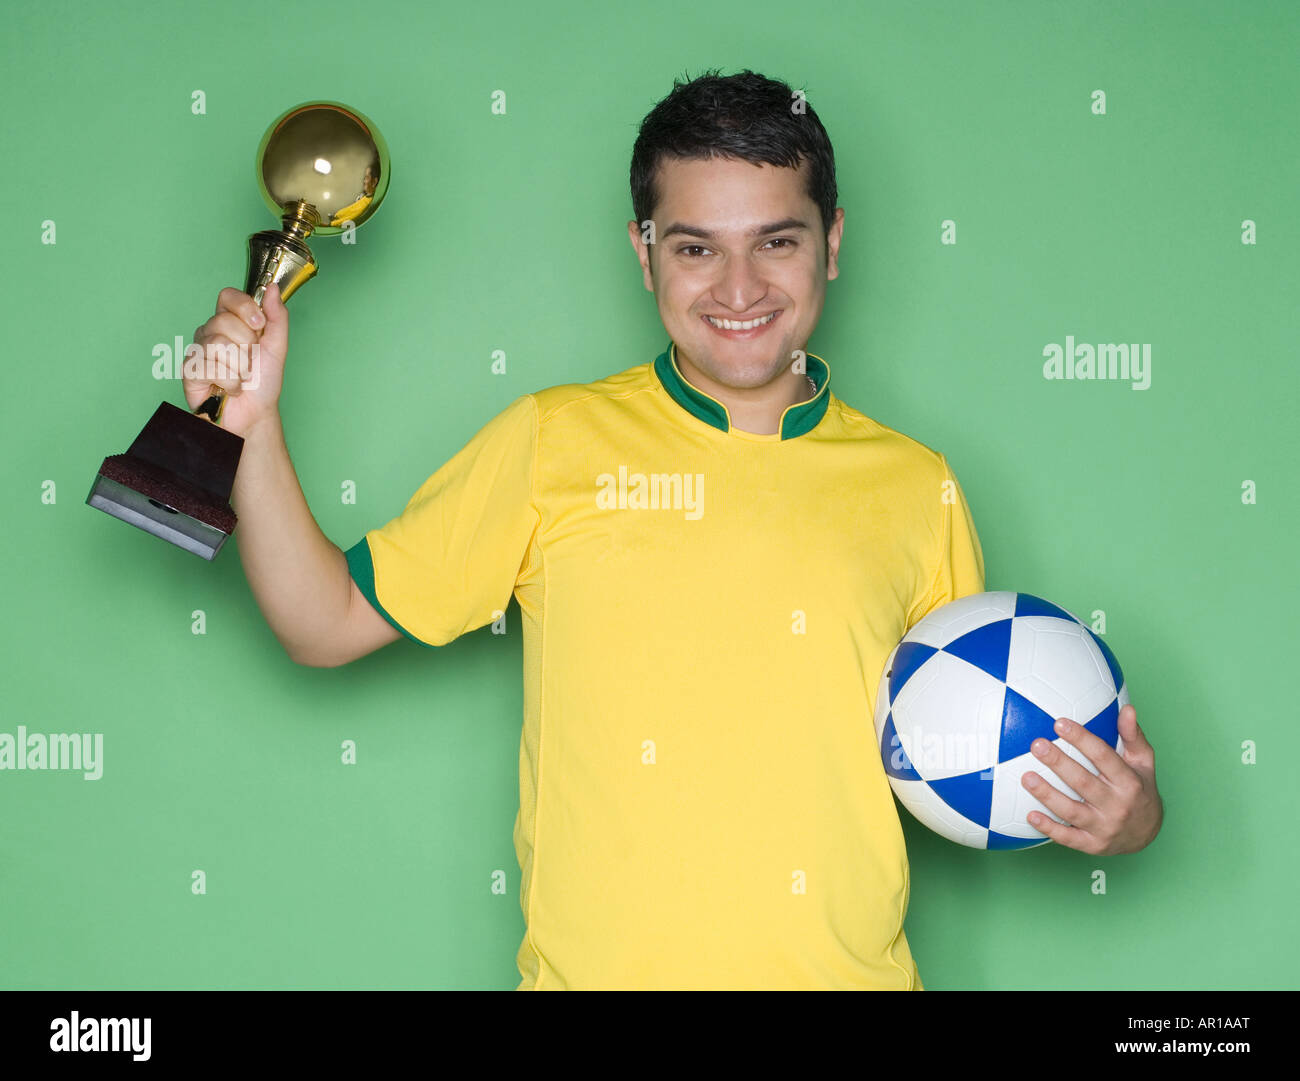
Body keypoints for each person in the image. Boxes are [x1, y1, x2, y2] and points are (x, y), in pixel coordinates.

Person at [186, 69, 1163, 990]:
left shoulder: (918, 486)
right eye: (696, 246)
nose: (737, 289)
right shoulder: (550, 441)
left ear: (831, 242)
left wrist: (1127, 816)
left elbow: (968, 746)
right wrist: (256, 424)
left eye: (775, 241)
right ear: (643, 250)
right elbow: (324, 623)